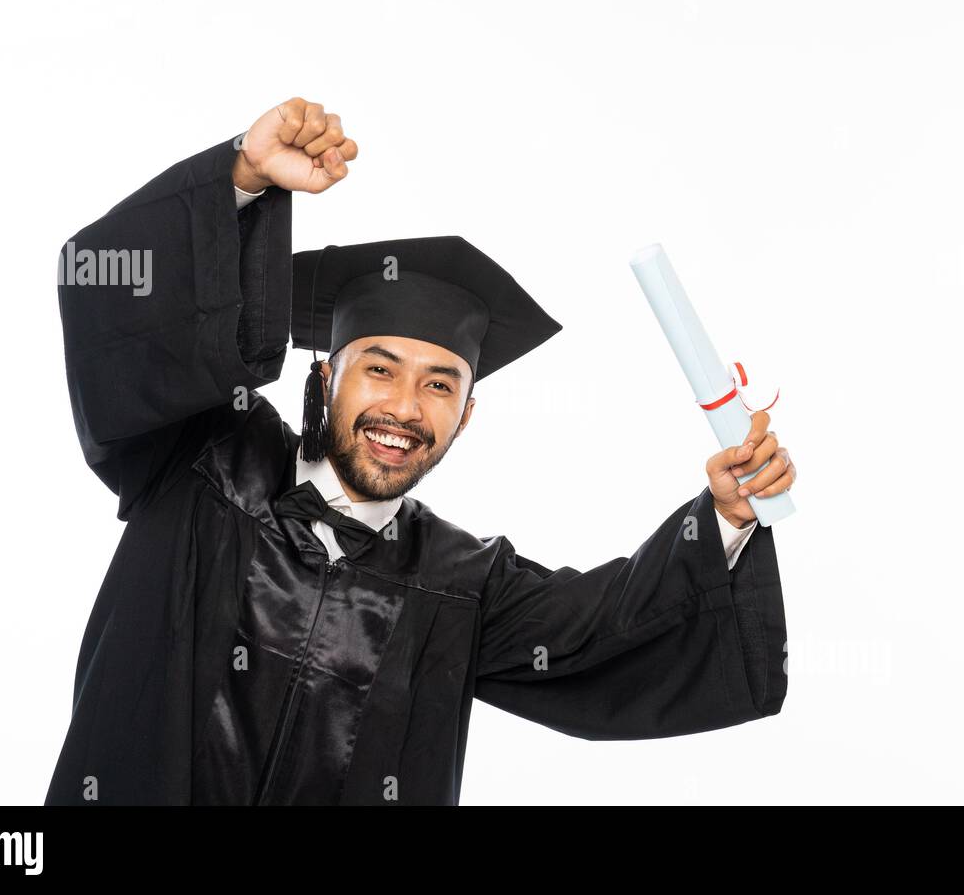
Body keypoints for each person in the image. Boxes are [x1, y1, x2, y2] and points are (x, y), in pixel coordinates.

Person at [46, 97, 798, 806]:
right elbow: (132, 338)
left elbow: (606, 630)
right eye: (379, 369)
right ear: (326, 376)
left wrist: (724, 516)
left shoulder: (461, 584)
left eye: (440, 385)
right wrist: (241, 174)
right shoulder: (202, 459)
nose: (405, 409)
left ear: (465, 415)